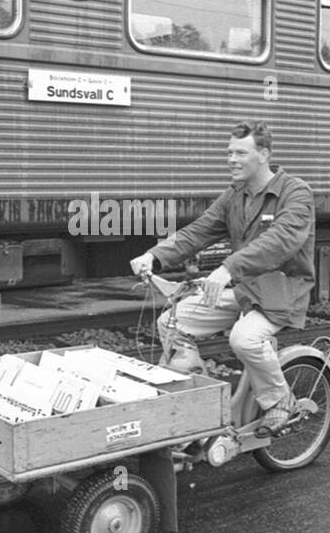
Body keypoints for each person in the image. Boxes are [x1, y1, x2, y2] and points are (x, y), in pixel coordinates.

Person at [130, 121, 315, 430]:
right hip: (245, 290)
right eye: (229, 152)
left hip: (280, 293)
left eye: (240, 153)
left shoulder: (295, 192)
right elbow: (199, 231)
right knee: (172, 322)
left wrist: (228, 267)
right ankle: (198, 400)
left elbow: (281, 240)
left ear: (264, 154)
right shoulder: (235, 195)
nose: (231, 160)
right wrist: (155, 254)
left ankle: (282, 401)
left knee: (243, 339)